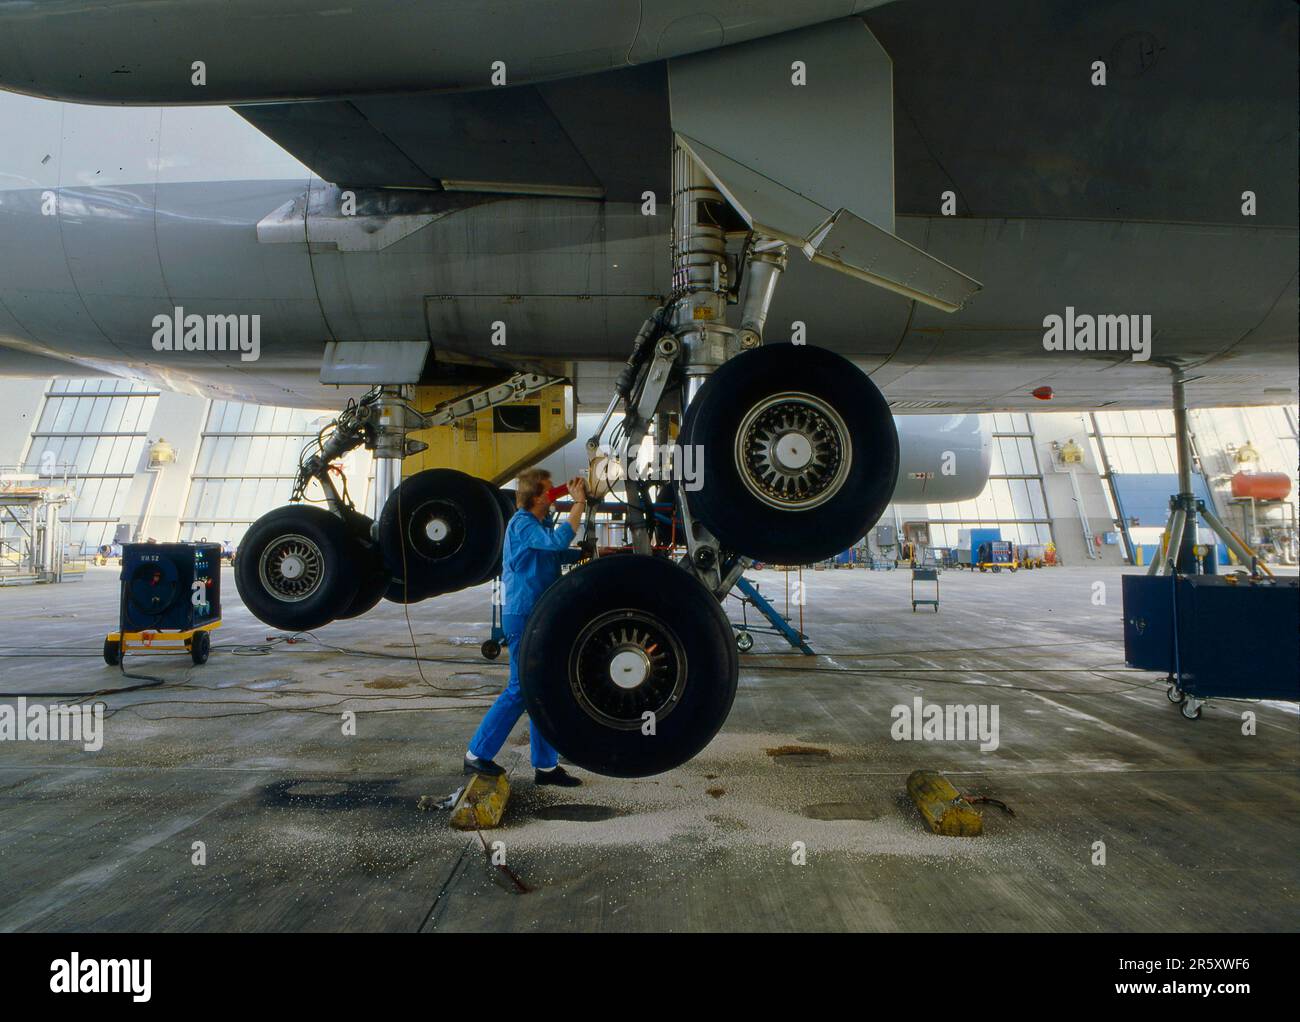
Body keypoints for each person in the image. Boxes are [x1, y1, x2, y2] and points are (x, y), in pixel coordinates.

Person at [465, 467, 587, 786]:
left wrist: (582, 553)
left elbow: (555, 551)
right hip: (522, 615)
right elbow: (557, 540)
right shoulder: (522, 523)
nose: (553, 495)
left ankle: (545, 767)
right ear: (535, 496)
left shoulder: (536, 524)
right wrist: (578, 506)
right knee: (521, 687)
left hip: (539, 613)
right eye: (548, 491)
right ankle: (477, 754)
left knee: (540, 686)